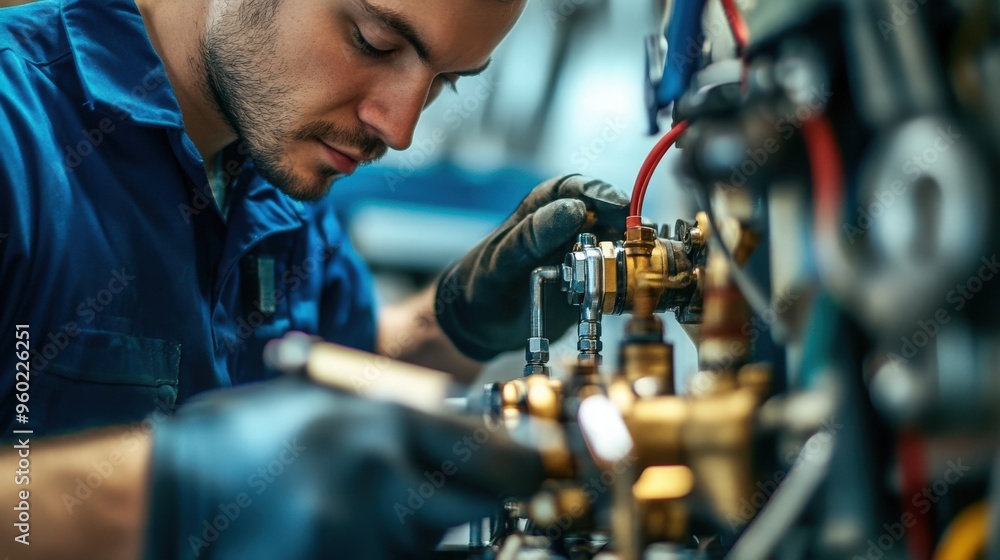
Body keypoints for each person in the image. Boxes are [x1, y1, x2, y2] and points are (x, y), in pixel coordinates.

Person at [0, 0, 629, 557]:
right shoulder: (15, 136)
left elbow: (334, 373)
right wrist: (175, 496)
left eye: (447, 83)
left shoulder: (271, 162)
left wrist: (455, 324)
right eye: (374, 43)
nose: (400, 127)